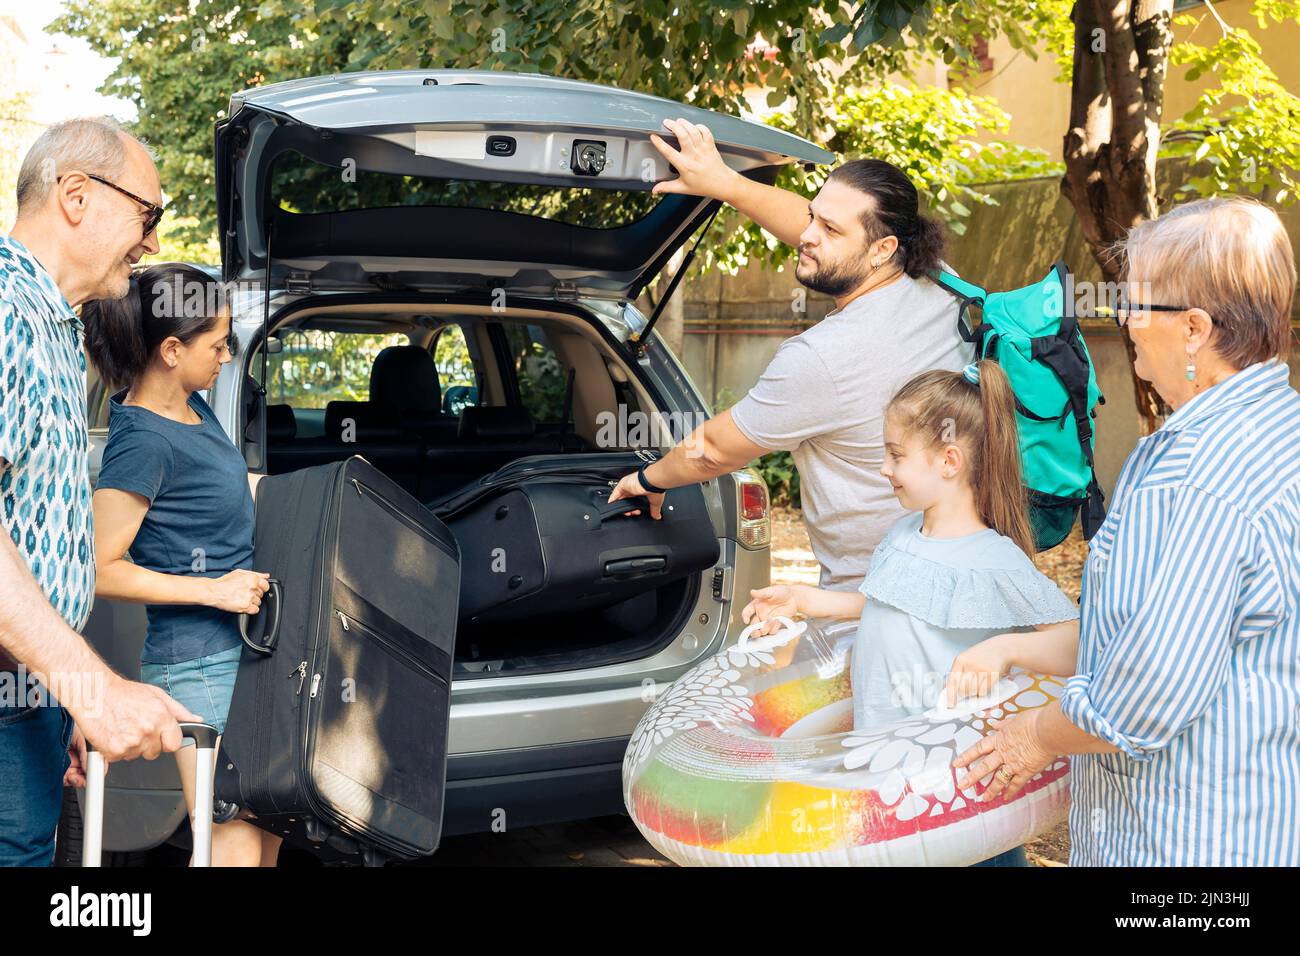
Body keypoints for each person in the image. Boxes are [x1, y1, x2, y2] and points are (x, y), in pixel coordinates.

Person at [951, 196, 1300, 866]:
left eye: (1137, 306)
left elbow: (1151, 691)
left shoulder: (1201, 471)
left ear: (1194, 328)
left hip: (1187, 842)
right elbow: (1150, 623)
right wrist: (1018, 650)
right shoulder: (1273, 427)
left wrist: (1037, 736)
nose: (1125, 324)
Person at [608, 119, 973, 591]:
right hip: (960, 562)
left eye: (829, 229)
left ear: (883, 249)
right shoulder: (939, 282)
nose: (807, 235)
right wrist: (726, 184)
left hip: (873, 595)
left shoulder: (824, 358)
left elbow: (715, 451)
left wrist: (648, 480)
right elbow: (814, 227)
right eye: (813, 217)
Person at [743, 359, 1079, 867]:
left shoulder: (993, 558)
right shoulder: (903, 534)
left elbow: (1078, 643)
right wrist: (806, 599)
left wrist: (1005, 648)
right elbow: (890, 605)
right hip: (885, 773)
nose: (884, 468)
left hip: (958, 792)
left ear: (949, 461)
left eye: (895, 454)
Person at [0, 117, 199, 867]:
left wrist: (57, 692)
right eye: (147, 214)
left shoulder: (51, 325)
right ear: (76, 195)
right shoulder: (4, 315)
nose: (150, 241)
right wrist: (90, 687)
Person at [82, 262, 282, 866]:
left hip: (245, 648)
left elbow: (227, 488)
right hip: (197, 664)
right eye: (217, 344)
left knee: (267, 824)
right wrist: (212, 591)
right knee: (229, 838)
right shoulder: (141, 439)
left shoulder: (195, 411)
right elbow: (100, 567)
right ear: (172, 350)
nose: (226, 356)